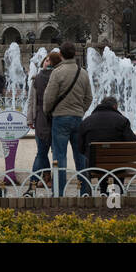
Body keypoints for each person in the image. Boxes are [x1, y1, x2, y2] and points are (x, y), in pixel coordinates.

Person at [43, 41, 92, 197]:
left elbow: (49, 98)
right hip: (78, 118)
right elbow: (89, 98)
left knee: (59, 156)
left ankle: (59, 191)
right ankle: (85, 191)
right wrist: (80, 110)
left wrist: (48, 111)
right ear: (75, 54)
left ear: (61, 55)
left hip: (60, 118)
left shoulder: (57, 72)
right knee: (80, 156)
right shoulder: (83, 72)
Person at [76, 95, 136, 178]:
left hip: (95, 166)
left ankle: (104, 190)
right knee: (118, 165)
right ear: (115, 106)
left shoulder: (87, 121)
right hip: (118, 165)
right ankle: (117, 189)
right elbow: (132, 143)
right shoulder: (122, 120)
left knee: (100, 166)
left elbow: (80, 148)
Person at [24, 51, 59, 193]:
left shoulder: (39, 78)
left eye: (49, 61)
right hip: (49, 117)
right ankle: (47, 178)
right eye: (46, 60)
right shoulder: (38, 78)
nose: (47, 62)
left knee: (41, 152)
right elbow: (31, 100)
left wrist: (31, 118)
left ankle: (33, 184)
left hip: (43, 118)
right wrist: (29, 118)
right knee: (44, 152)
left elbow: (33, 101)